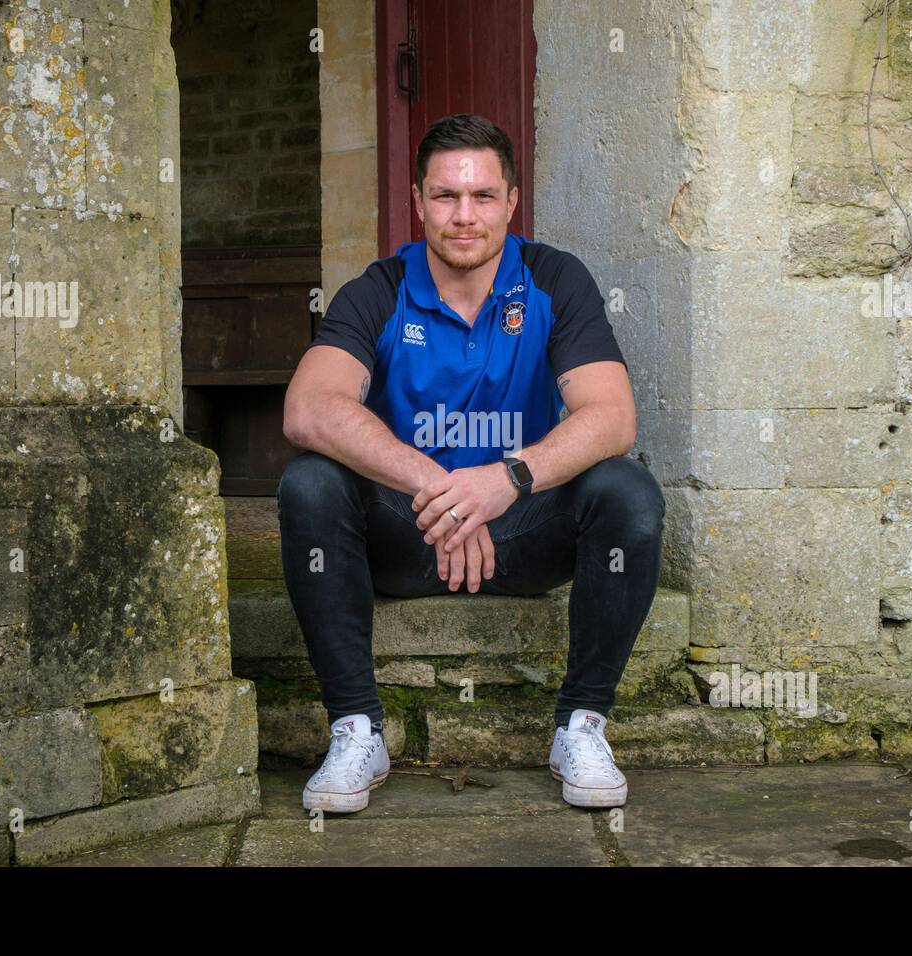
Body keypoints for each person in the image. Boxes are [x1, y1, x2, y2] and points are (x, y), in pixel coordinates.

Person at [278, 113, 665, 813]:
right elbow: (308, 408)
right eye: (446, 197)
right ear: (418, 203)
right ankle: (358, 730)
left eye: (483, 196)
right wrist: (443, 487)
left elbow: (613, 417)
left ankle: (581, 725)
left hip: (524, 536)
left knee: (628, 491)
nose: (464, 216)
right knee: (309, 482)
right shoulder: (380, 288)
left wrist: (506, 480)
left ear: (512, 202)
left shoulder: (554, 280)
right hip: (408, 533)